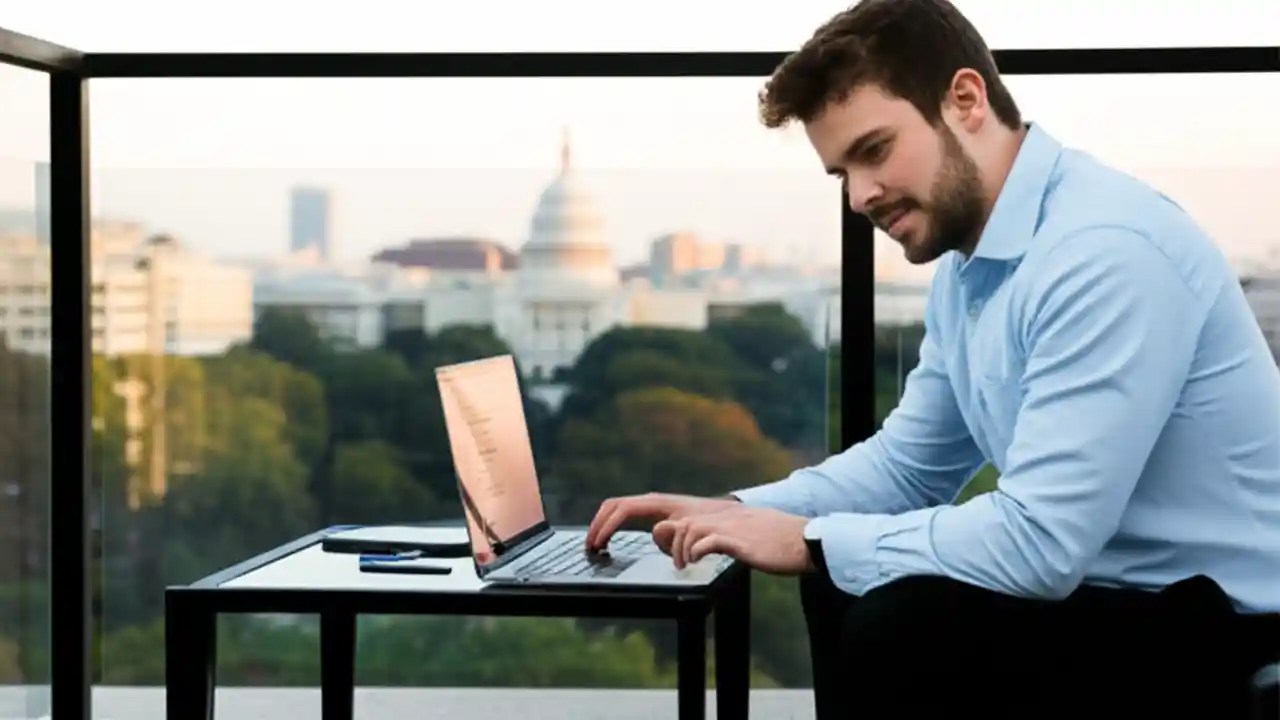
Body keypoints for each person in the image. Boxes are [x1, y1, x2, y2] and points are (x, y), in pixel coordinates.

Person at [585, 0, 1280, 715]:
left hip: (1230, 620)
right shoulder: (973, 265)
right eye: (841, 174)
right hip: (1115, 594)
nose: (859, 197)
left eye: (875, 150)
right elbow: (910, 466)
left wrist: (813, 539)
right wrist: (733, 514)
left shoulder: (1102, 251)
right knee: (841, 577)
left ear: (966, 99)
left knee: (896, 623)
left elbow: (1040, 543)